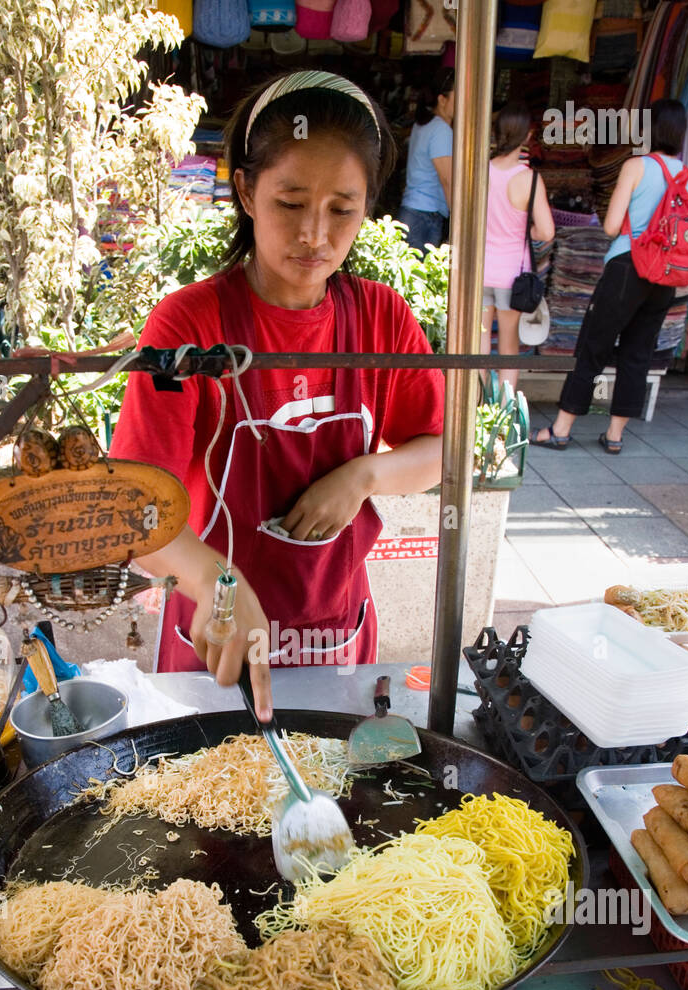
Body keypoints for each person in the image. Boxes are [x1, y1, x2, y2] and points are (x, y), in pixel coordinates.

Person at [110, 71, 445, 721]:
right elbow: (136, 510)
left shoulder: (381, 319)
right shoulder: (188, 326)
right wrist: (214, 579)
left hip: (336, 629)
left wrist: (363, 474)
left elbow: (440, 451)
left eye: (342, 208)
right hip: (214, 638)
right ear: (245, 191)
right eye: (291, 203)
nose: (315, 235)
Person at [533, 100, 688, 454]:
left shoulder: (636, 166)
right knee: (639, 351)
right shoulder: (686, 174)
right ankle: (615, 436)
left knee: (593, 346)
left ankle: (561, 429)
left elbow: (610, 225)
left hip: (627, 267)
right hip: (664, 274)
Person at [481, 101, 555, 391]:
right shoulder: (529, 179)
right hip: (513, 275)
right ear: (527, 135)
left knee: (479, 346)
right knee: (509, 347)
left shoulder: (480, 171)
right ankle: (505, 412)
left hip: (480, 270)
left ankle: (476, 408)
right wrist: (524, 230)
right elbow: (546, 230)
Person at [397, 73, 455, 253]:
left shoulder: (422, 124)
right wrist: (458, 217)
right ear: (442, 99)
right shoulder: (441, 129)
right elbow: (447, 179)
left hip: (413, 211)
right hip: (424, 216)